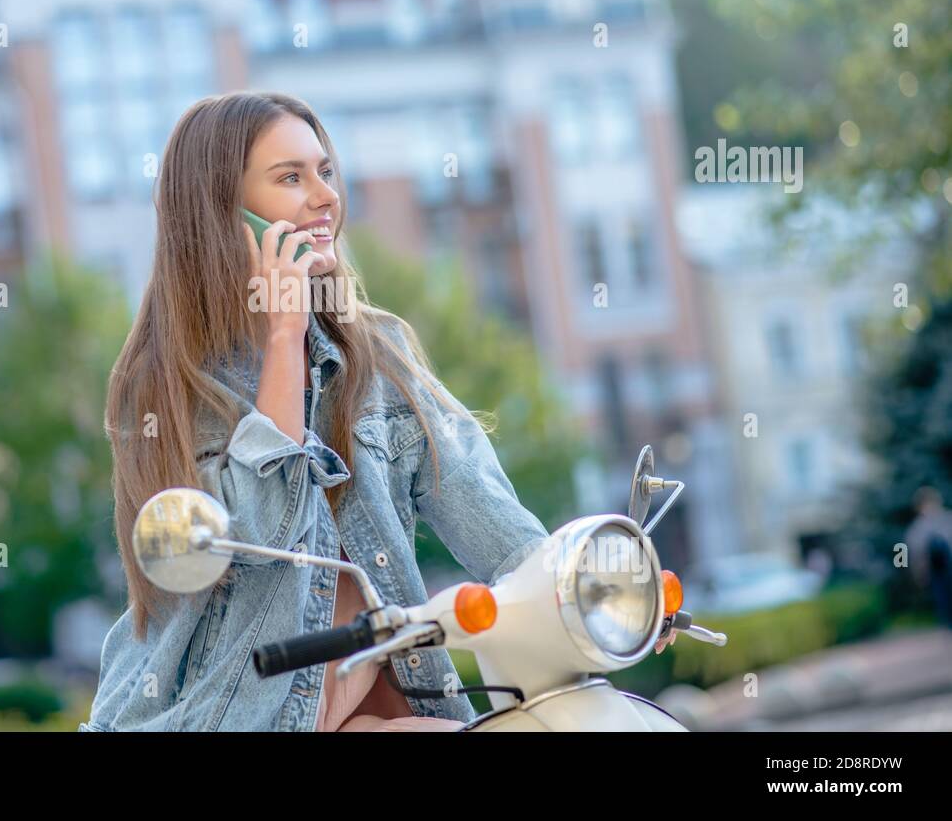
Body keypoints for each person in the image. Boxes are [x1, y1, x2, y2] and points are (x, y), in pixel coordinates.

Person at [80, 91, 664, 733]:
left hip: (393, 703)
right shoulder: (168, 387)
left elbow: (497, 528)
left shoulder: (377, 356)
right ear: (224, 213)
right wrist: (283, 335)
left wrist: (600, 590)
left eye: (325, 171)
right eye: (290, 178)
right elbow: (264, 536)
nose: (325, 195)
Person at [906, 487, 952, 628]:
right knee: (944, 601)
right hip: (937, 572)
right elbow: (913, 552)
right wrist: (918, 572)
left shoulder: (948, 519)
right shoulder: (917, 528)